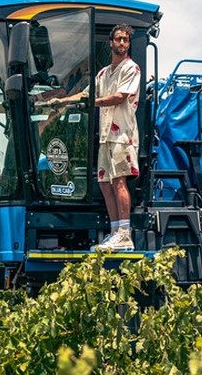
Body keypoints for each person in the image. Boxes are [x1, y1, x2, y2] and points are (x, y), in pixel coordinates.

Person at [51, 24, 140, 252]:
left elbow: (119, 97)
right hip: (105, 134)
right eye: (118, 39)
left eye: (126, 40)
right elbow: (87, 94)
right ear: (110, 42)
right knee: (104, 182)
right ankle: (115, 231)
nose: (122, 43)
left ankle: (124, 234)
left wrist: (92, 103)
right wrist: (63, 101)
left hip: (122, 134)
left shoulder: (132, 69)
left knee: (119, 180)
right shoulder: (102, 74)